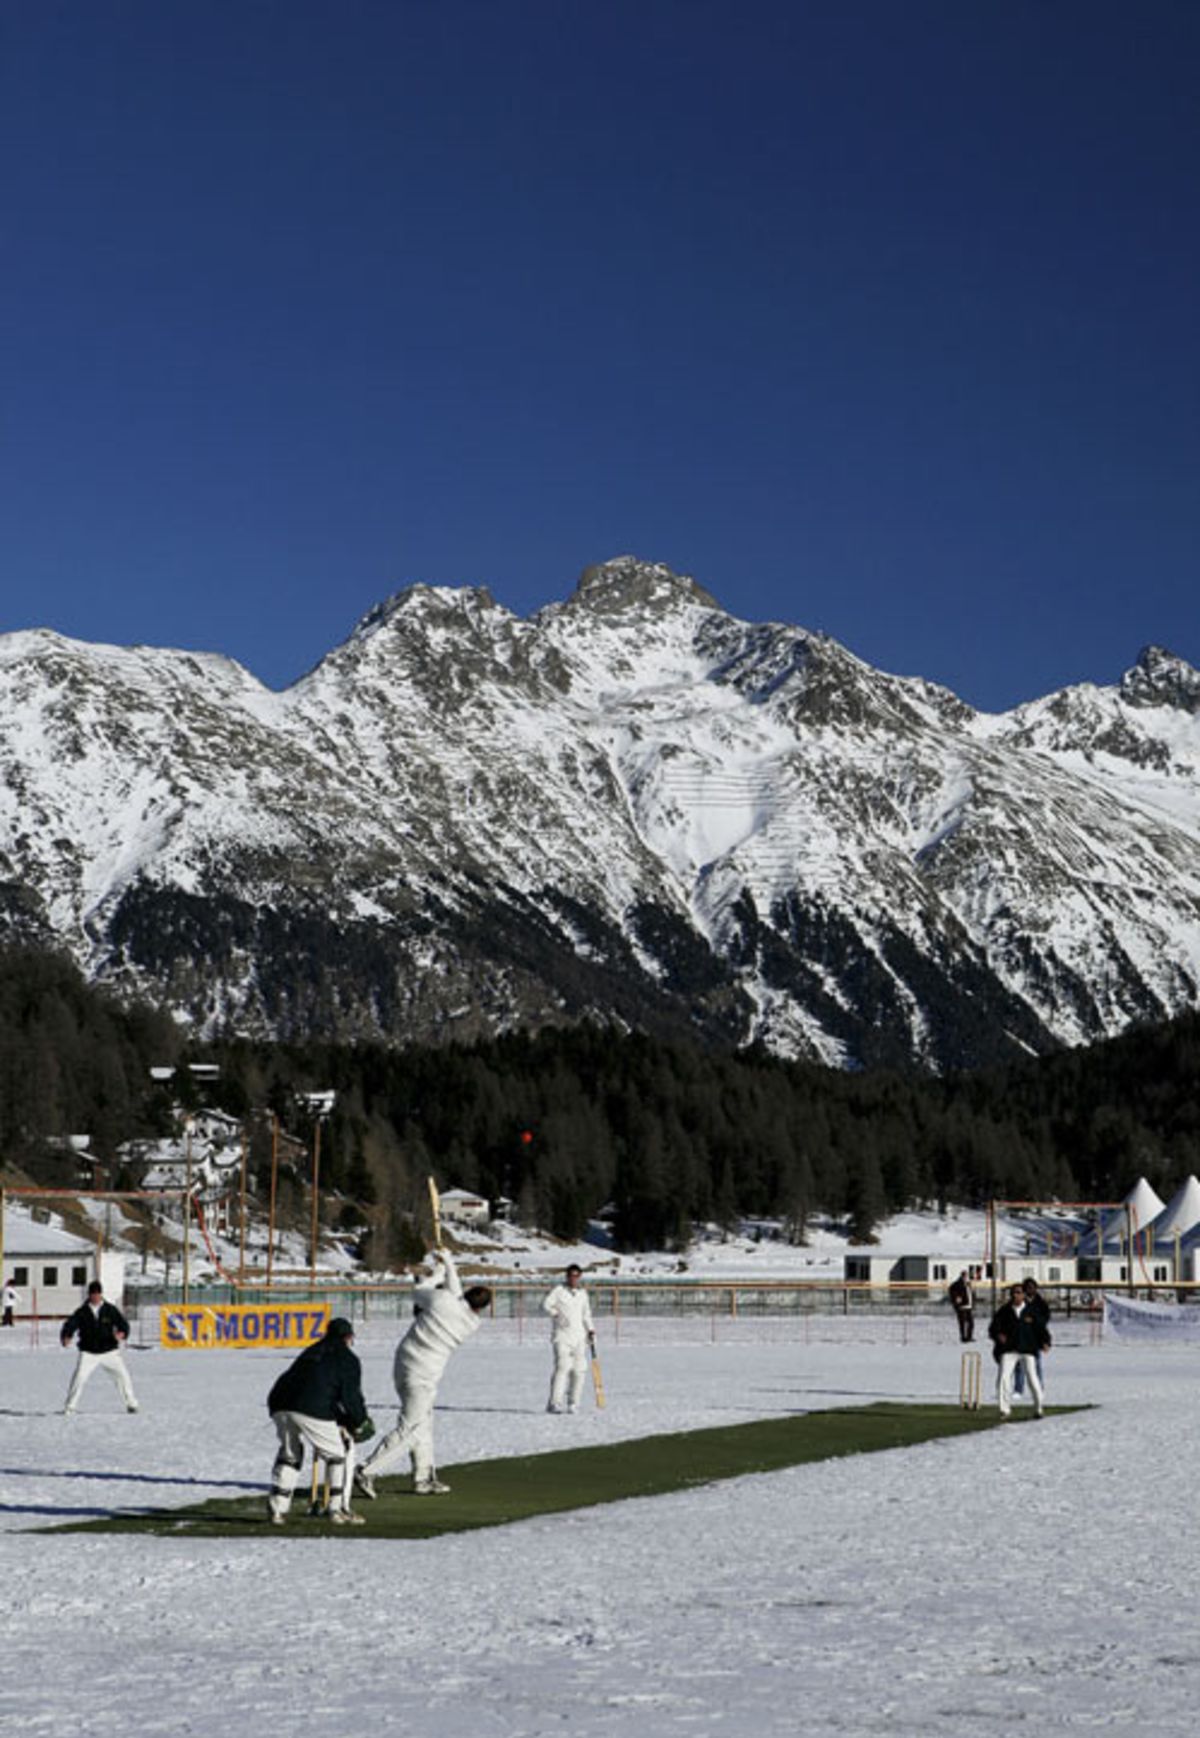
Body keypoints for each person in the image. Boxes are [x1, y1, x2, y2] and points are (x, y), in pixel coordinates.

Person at [355, 1249, 491, 1500]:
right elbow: (455, 1295)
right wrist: (448, 1265)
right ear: (480, 1309)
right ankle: (366, 1470)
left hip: (408, 1365)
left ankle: (424, 1477)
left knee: (423, 1424)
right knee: (412, 1429)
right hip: (420, 1373)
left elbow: (418, 1293)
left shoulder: (443, 1301)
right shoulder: (472, 1322)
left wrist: (437, 1272)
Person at [266, 1316, 373, 1525]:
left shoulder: (311, 1350)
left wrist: (339, 1416)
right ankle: (337, 1509)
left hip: (279, 1403)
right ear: (349, 1337)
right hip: (310, 1407)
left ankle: (277, 1508)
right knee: (337, 1455)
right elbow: (350, 1398)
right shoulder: (348, 1358)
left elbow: (317, 1385)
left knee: (290, 1455)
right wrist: (358, 1421)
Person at [60, 1280, 139, 1414]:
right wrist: (66, 1336)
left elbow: (123, 1324)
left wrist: (122, 1333)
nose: (95, 1297)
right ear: (89, 1295)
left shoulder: (110, 1309)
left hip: (109, 1351)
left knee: (123, 1377)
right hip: (89, 1352)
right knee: (79, 1378)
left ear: (101, 1294)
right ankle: (70, 1407)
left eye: (97, 1294)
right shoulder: (82, 1312)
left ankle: (131, 1404)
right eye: (93, 1294)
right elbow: (70, 1324)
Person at [988, 1282, 1051, 1419]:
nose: (1015, 1295)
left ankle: (1038, 1408)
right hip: (1009, 1349)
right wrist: (998, 1335)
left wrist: (1046, 1342)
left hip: (1028, 1349)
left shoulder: (1031, 1311)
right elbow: (993, 1328)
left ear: (1023, 1295)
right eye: (1013, 1293)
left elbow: (1041, 1328)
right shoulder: (1004, 1311)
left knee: (1033, 1379)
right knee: (1003, 1378)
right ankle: (1004, 1410)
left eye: (1018, 1292)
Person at [543, 1263, 596, 1413]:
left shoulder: (582, 1293)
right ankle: (555, 1403)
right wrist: (556, 1314)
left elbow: (586, 1314)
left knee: (579, 1370)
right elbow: (546, 1305)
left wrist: (590, 1330)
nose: (574, 1279)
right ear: (567, 1276)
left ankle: (573, 1403)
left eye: (577, 1276)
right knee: (563, 1367)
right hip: (562, 1336)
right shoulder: (558, 1291)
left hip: (579, 1337)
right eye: (571, 1276)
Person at [1013, 1276, 1050, 1395]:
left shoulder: (1040, 1303)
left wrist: (1034, 1320)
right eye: (1028, 1288)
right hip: (1020, 1338)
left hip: (1035, 1338)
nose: (1030, 1290)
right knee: (1020, 1366)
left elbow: (1044, 1320)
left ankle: (1039, 1388)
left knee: (1036, 1365)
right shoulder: (1018, 1302)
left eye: (1032, 1288)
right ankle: (1018, 1389)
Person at [947, 1270, 975, 1343]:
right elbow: (951, 1289)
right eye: (965, 1276)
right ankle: (963, 1338)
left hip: (968, 1306)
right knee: (962, 1323)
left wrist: (973, 1302)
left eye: (967, 1276)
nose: (966, 1277)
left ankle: (969, 1337)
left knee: (971, 1323)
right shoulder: (958, 1283)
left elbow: (970, 1294)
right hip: (962, 1307)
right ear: (962, 1276)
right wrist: (956, 1297)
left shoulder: (968, 1284)